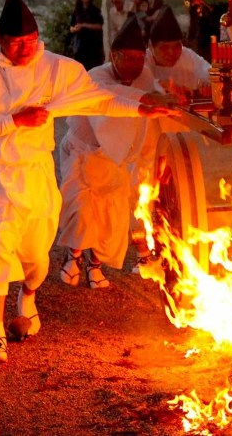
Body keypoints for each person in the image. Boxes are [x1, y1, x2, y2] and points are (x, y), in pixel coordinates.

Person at [0, 0, 176, 368]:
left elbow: (98, 99)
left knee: (37, 254)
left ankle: (29, 297)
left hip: (37, 173)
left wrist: (140, 107)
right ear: (1, 40)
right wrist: (13, 120)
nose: (25, 49)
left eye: (31, 41)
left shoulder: (56, 69)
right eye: (17, 43)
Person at [58, 18, 171, 288]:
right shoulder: (96, 76)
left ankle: (95, 266)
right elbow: (111, 97)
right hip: (83, 153)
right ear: (113, 55)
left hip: (117, 158)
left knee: (111, 217)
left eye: (139, 58)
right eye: (127, 57)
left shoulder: (144, 76)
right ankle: (73, 258)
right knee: (84, 213)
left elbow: (155, 99)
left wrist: (167, 98)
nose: (134, 64)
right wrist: (145, 100)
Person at [147, 8, 211, 100]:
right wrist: (164, 84)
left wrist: (206, 81)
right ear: (150, 46)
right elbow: (140, 84)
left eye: (177, 46)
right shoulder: (143, 59)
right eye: (164, 47)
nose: (171, 53)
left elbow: (207, 72)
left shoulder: (187, 55)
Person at [68, 0, 105, 70]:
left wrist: (84, 25)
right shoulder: (77, 11)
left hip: (93, 45)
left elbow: (99, 26)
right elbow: (71, 26)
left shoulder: (95, 10)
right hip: (80, 46)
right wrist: (74, 29)